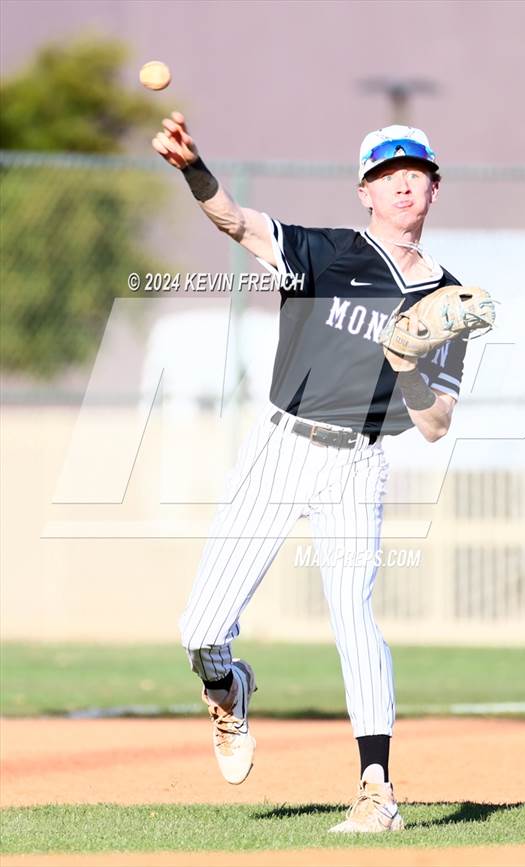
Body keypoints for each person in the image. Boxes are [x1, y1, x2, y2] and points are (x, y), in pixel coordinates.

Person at [152, 115, 468, 833]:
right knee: (199, 627)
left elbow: (437, 421)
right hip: (281, 445)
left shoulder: (449, 299)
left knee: (354, 615)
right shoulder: (325, 254)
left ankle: (376, 787)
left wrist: (410, 363)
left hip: (359, 461)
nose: (403, 183)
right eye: (387, 174)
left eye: (415, 171)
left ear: (435, 188)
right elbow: (234, 222)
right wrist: (192, 169)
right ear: (365, 191)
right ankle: (227, 684)